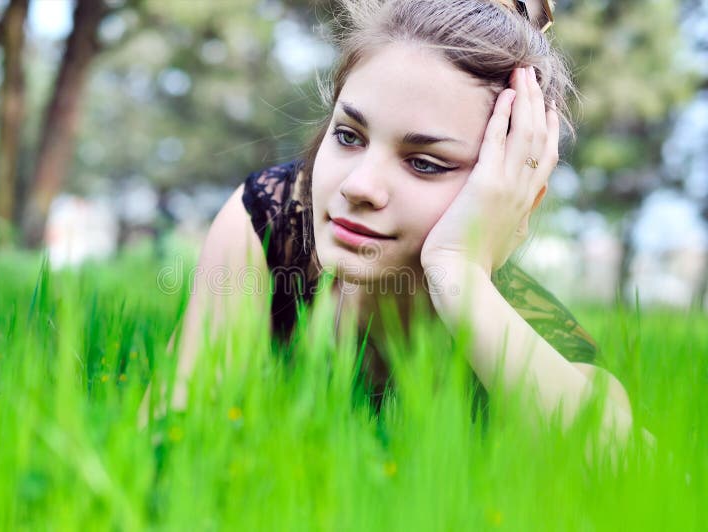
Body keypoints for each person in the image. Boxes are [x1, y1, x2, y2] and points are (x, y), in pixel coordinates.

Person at [139, 0, 641, 449]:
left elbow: (647, 481)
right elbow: (165, 438)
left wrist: (459, 274)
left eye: (424, 162)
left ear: (515, 198)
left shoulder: (535, 337)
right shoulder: (269, 221)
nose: (359, 185)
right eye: (349, 135)